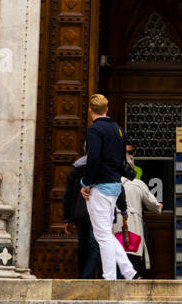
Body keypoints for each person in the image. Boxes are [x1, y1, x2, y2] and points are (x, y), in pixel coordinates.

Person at [79, 94, 137, 282]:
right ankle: (129, 272)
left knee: (102, 236)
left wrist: (86, 183)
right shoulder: (118, 130)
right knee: (105, 233)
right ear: (107, 109)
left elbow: (93, 158)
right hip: (114, 185)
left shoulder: (95, 130)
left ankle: (110, 278)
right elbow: (120, 160)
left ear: (90, 111)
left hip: (101, 187)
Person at [113, 144, 163, 275]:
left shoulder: (111, 182)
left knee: (118, 256)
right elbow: (154, 205)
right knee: (133, 257)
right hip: (133, 225)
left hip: (116, 225)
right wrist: (159, 206)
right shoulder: (138, 184)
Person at [62, 145, 99, 278]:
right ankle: (86, 277)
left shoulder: (76, 167)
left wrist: (67, 218)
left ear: (84, 148)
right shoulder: (104, 166)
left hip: (79, 212)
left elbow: (68, 193)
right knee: (94, 244)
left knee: (83, 244)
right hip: (97, 211)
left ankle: (83, 277)